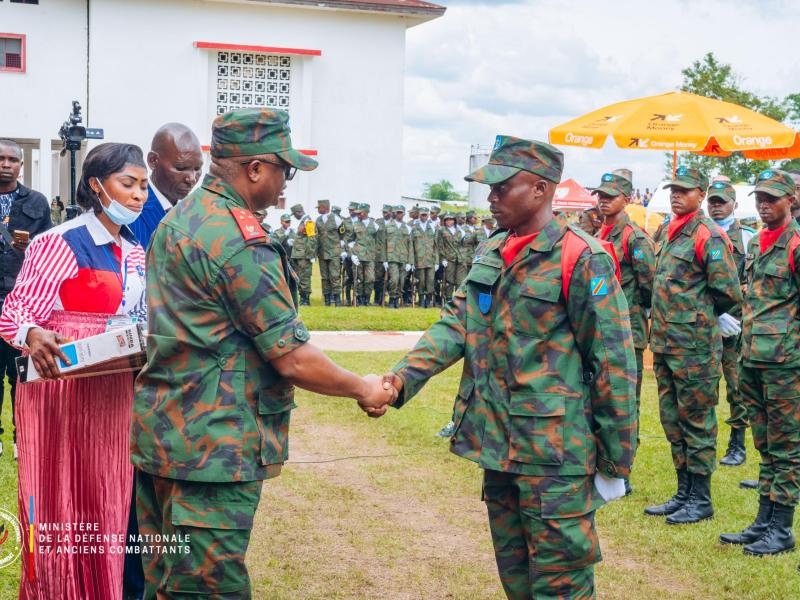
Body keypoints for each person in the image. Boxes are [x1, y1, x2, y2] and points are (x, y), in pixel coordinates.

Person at [130, 108, 394, 598]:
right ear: (254, 168)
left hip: (169, 437)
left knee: (166, 582)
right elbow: (291, 355)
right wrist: (363, 387)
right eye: (284, 170)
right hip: (211, 450)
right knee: (206, 588)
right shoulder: (236, 238)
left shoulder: (182, 218)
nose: (286, 182)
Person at [383, 136, 636, 599]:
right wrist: (400, 379)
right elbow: (457, 323)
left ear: (541, 190)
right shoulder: (493, 249)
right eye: (489, 188)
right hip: (497, 445)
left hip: (554, 457)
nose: (492, 197)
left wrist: (616, 462)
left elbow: (613, 364)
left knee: (562, 585)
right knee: (516, 578)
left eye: (502, 187)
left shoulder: (580, 256)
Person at [0, 142, 148, 599]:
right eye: (128, 184)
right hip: (62, 396)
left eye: (143, 185)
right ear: (95, 186)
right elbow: (13, 312)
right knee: (64, 502)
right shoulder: (57, 242)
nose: (139, 195)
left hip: (115, 394)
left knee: (110, 498)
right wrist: (32, 333)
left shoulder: (136, 251)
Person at [644, 166, 743, 525]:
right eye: (674, 189)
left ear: (700, 194)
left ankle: (701, 499)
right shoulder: (669, 231)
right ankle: (683, 491)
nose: (676, 195)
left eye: (685, 190)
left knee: (697, 422)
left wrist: (705, 317)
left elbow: (729, 292)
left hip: (696, 347)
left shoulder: (707, 235)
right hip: (667, 344)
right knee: (672, 420)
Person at [720, 169, 800, 557]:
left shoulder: (796, 243)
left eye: (772, 198)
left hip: (786, 365)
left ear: (791, 200)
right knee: (765, 444)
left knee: (786, 447)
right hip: (751, 357)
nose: (764, 204)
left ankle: (782, 529)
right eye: (760, 198)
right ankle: (763, 521)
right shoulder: (758, 244)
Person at [594, 172, 655, 495]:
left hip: (626, 330)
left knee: (625, 402)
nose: (603, 200)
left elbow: (649, 285)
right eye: (600, 195)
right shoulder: (599, 231)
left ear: (627, 200)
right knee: (600, 398)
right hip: (599, 329)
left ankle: (622, 472)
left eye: (610, 195)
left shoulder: (635, 237)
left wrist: (638, 313)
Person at [0, 139, 52, 461]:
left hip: (22, 301)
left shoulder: (37, 201)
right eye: (0, 158)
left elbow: (49, 247)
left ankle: (23, 439)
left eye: (11, 160)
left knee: (23, 375)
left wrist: (29, 247)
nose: (6, 164)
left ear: (21, 165)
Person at [705, 181, 755, 467]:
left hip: (736, 325)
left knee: (737, 387)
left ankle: (737, 444)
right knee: (704, 387)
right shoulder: (701, 233)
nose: (716, 205)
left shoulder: (747, 237)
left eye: (722, 201)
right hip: (705, 323)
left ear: (734, 205)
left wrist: (735, 313)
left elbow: (755, 281)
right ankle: (706, 443)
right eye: (712, 201)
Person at [129, 123, 203, 249]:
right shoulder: (132, 208)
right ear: (153, 161)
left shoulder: (197, 210)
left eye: (197, 168)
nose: (191, 178)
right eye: (181, 168)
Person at [315, 199, 346, 307]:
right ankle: (327, 299)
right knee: (325, 277)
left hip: (334, 252)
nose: (318, 209)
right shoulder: (318, 220)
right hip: (322, 252)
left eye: (319, 207)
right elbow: (316, 236)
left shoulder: (337, 219)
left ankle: (337, 300)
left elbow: (342, 235)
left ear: (325, 207)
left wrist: (342, 250)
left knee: (334, 276)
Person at [384, 205, 412, 308]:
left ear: (404, 214)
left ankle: (397, 298)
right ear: (394, 213)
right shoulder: (388, 226)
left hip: (404, 258)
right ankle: (392, 298)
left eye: (401, 212)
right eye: (397, 212)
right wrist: (384, 260)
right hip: (392, 257)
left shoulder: (408, 228)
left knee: (402, 280)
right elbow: (383, 244)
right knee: (394, 279)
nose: (399, 214)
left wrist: (410, 261)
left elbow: (410, 246)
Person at [289, 202, 316, 306]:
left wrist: (310, 255)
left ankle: (305, 299)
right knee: (299, 276)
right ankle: (302, 297)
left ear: (299, 212)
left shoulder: (308, 221)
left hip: (304, 255)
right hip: (298, 254)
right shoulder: (302, 221)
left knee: (304, 276)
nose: (294, 216)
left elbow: (312, 238)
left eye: (295, 214)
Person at [411, 206, 437, 307]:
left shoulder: (433, 227)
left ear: (428, 215)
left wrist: (437, 261)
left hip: (430, 259)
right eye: (422, 215)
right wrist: (411, 261)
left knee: (430, 280)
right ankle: (421, 299)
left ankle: (429, 299)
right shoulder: (414, 228)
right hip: (419, 259)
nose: (423, 217)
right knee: (421, 281)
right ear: (419, 215)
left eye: (425, 215)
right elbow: (411, 246)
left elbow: (436, 246)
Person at [436, 212, 461, 303]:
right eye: (447, 220)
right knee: (449, 280)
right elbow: (440, 245)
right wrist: (443, 258)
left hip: (459, 258)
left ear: (454, 221)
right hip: (448, 258)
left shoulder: (459, 230)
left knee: (459, 280)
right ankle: (448, 298)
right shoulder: (442, 230)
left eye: (451, 219)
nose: (449, 221)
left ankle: (458, 298)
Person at [374, 204, 392, 306]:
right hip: (379, 255)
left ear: (390, 212)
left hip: (391, 254)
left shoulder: (394, 223)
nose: (384, 214)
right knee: (378, 278)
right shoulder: (377, 222)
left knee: (390, 278)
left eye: (386, 212)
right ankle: (377, 299)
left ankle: (388, 299)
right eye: (383, 212)